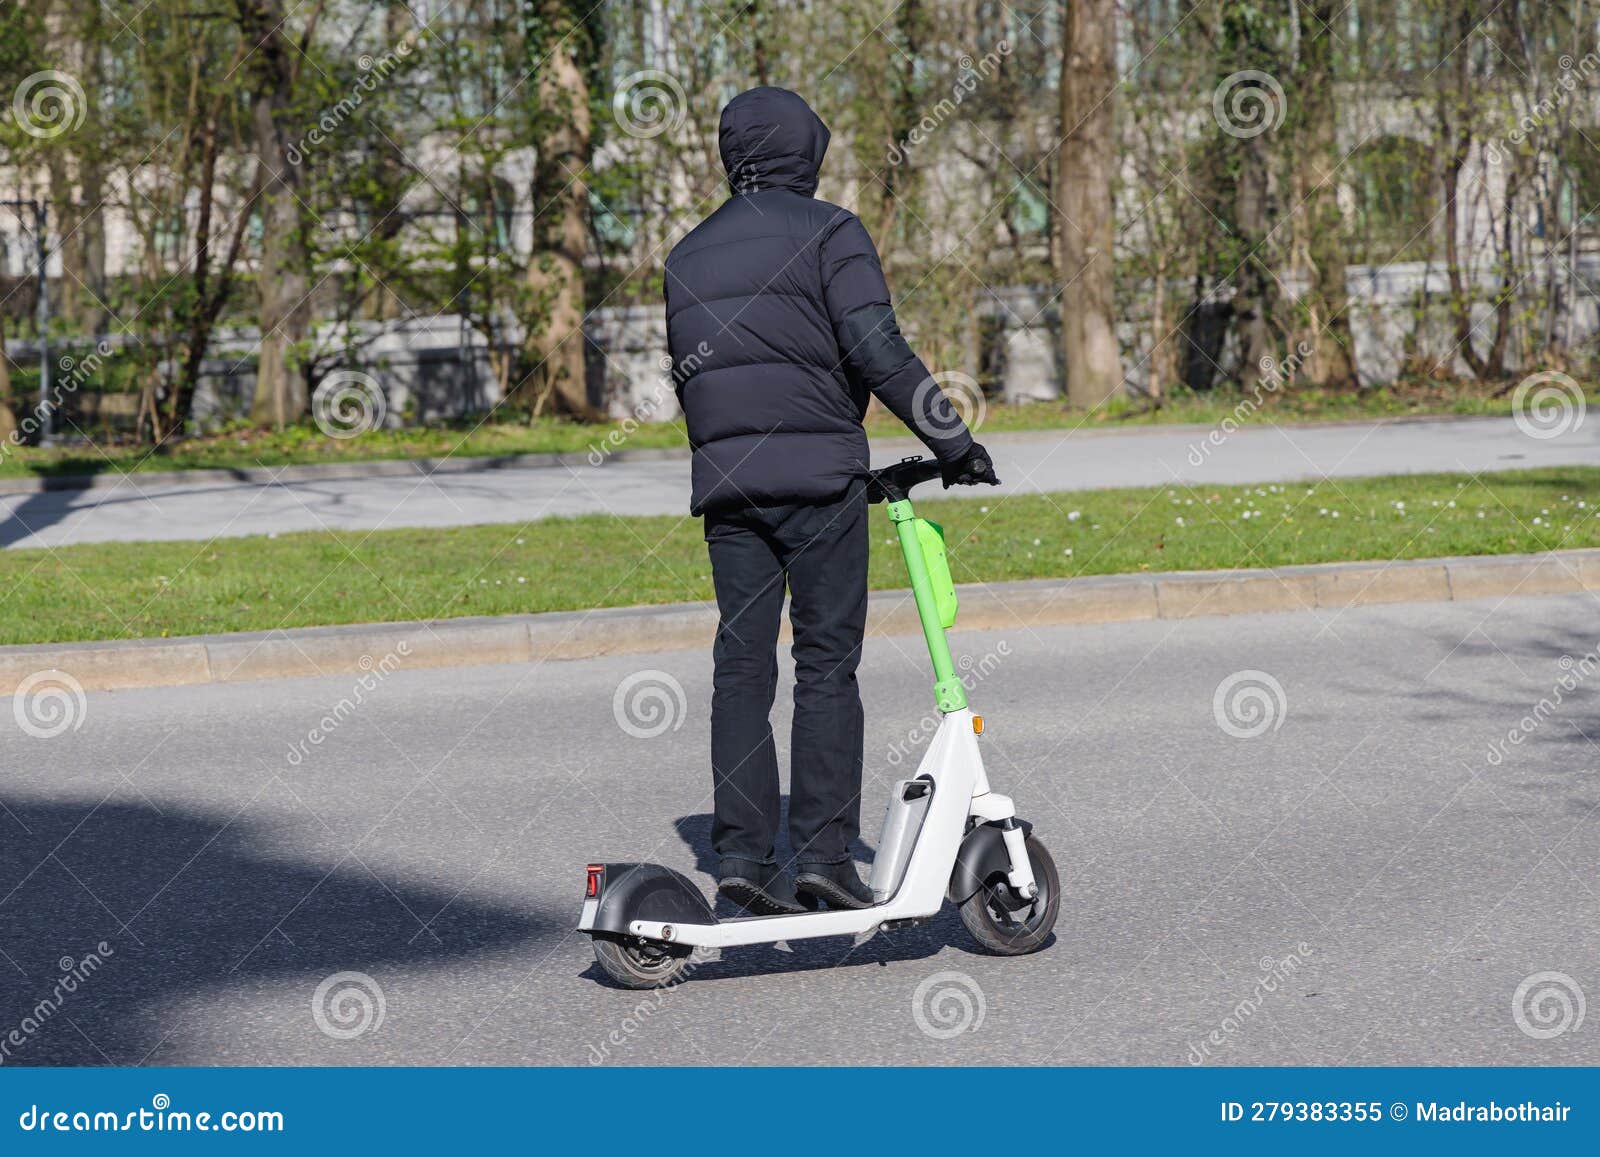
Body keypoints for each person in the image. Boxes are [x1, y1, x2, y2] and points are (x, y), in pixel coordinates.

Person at [663, 86, 997, 915]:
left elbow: (695, 377)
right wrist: (953, 441)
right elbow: (877, 348)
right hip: (821, 484)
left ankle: (741, 852)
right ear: (804, 151)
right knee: (825, 666)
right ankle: (821, 856)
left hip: (731, 490)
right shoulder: (831, 232)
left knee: (740, 664)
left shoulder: (688, 253)